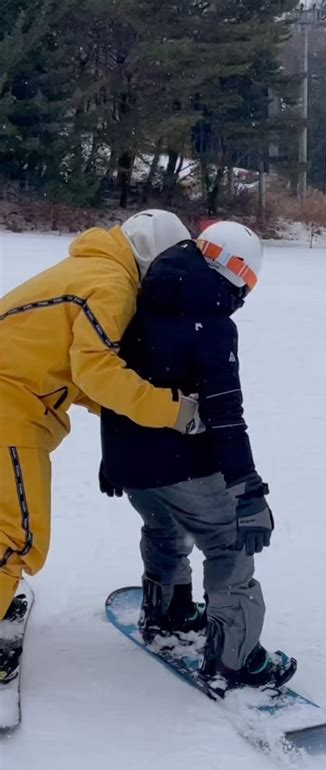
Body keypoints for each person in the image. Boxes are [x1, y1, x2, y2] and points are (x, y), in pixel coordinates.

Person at [0, 209, 202, 682]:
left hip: (16, 395)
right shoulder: (111, 284)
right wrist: (173, 410)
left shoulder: (89, 267)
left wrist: (130, 419)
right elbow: (97, 371)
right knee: (18, 538)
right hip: (9, 406)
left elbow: (76, 371)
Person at [100, 221, 296, 689]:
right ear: (239, 275)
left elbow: (114, 384)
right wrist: (248, 492)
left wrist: (115, 460)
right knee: (228, 542)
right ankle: (236, 659)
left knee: (164, 529)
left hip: (135, 465)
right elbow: (225, 415)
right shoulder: (212, 323)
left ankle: (169, 611)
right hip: (182, 463)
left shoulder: (138, 302)